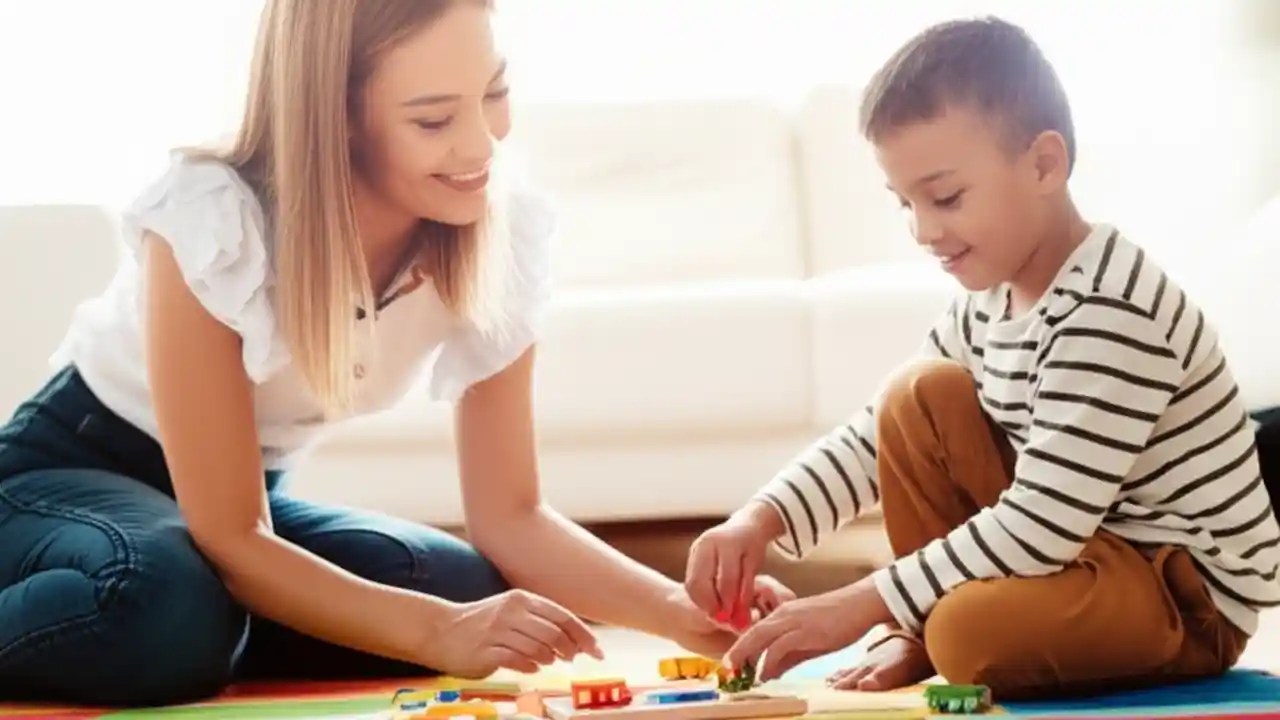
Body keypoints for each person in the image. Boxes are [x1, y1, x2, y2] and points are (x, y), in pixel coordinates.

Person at [0, 0, 789, 707]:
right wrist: (436, 634)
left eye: (495, 93)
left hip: (245, 506)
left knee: (462, 588)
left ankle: (206, 629)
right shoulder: (216, 215)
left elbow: (511, 518)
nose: (483, 142)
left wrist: (683, 617)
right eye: (434, 120)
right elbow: (233, 536)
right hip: (71, 467)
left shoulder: (499, 234)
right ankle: (186, 625)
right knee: (162, 601)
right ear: (337, 116)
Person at [684, 16, 1280, 700]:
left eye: (945, 198)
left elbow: (1042, 521)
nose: (923, 230)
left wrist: (864, 601)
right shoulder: (993, 296)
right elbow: (875, 431)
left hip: (1178, 592)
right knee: (917, 397)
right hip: (1077, 552)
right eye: (905, 203)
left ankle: (927, 625)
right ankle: (923, 625)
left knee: (964, 636)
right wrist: (760, 517)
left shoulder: (1111, 309)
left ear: (1043, 165)